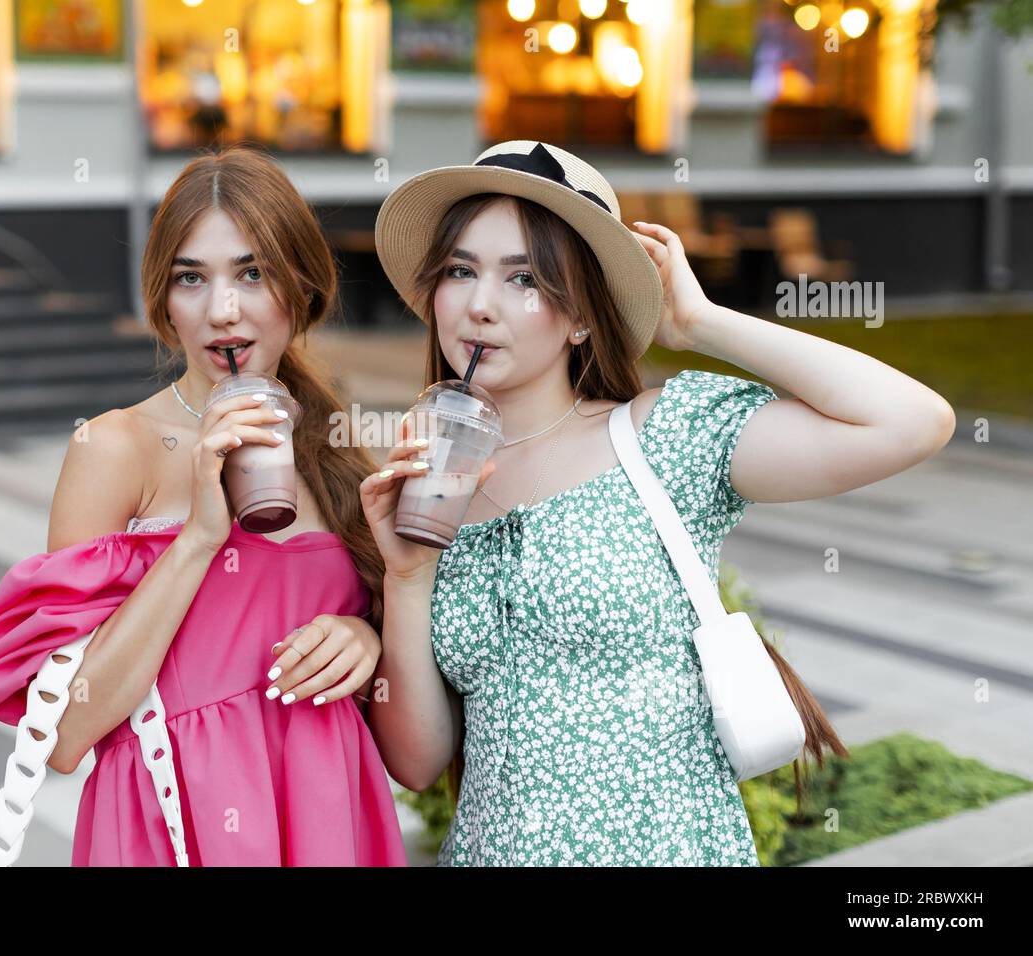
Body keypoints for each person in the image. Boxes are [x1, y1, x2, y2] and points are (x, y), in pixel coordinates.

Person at [360, 140, 956, 866]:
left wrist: (703, 324)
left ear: (582, 317)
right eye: (460, 271)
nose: (479, 305)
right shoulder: (421, 484)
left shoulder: (664, 437)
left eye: (524, 278)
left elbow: (912, 421)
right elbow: (418, 765)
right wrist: (406, 577)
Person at [0, 144, 407, 866]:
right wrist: (200, 538)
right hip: (171, 819)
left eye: (252, 272)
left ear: (299, 289)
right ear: (163, 300)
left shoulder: (332, 445)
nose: (223, 310)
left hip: (325, 811)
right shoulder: (117, 448)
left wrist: (366, 642)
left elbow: (393, 672)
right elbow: (64, 733)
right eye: (191, 278)